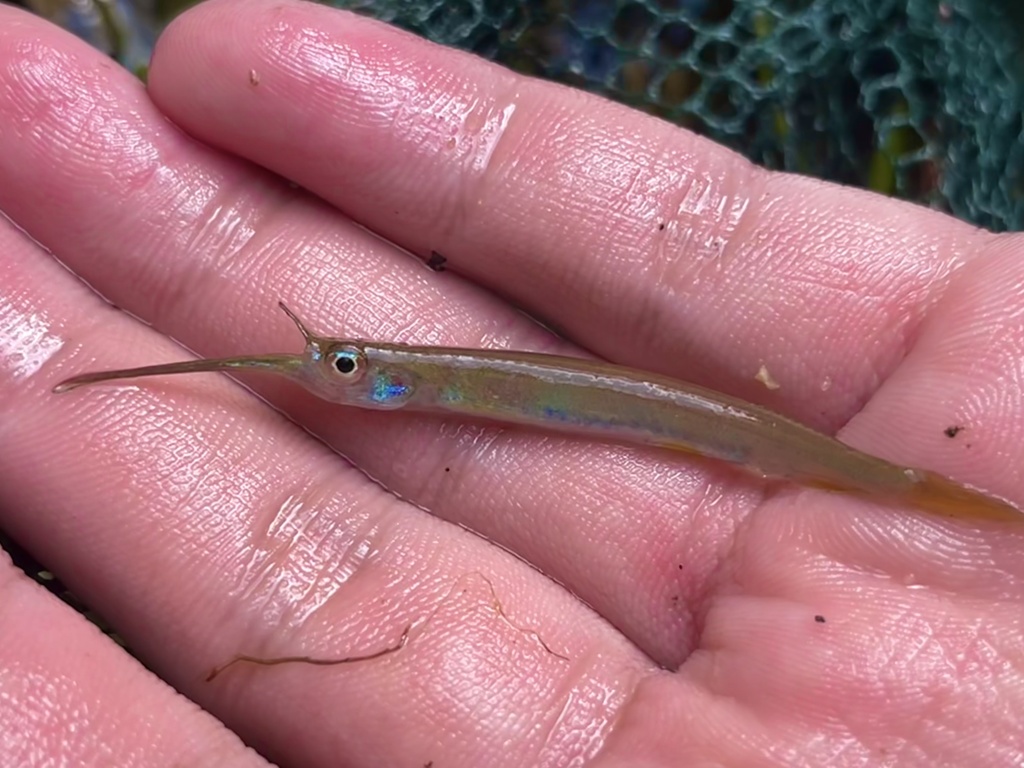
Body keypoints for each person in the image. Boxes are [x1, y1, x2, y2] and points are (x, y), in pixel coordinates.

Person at [1, 1, 1021, 765]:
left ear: (384, 379)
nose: (329, 371)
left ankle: (946, 499)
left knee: (807, 458)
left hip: (746, 440)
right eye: (337, 365)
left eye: (344, 364)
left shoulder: (417, 382)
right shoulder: (417, 387)